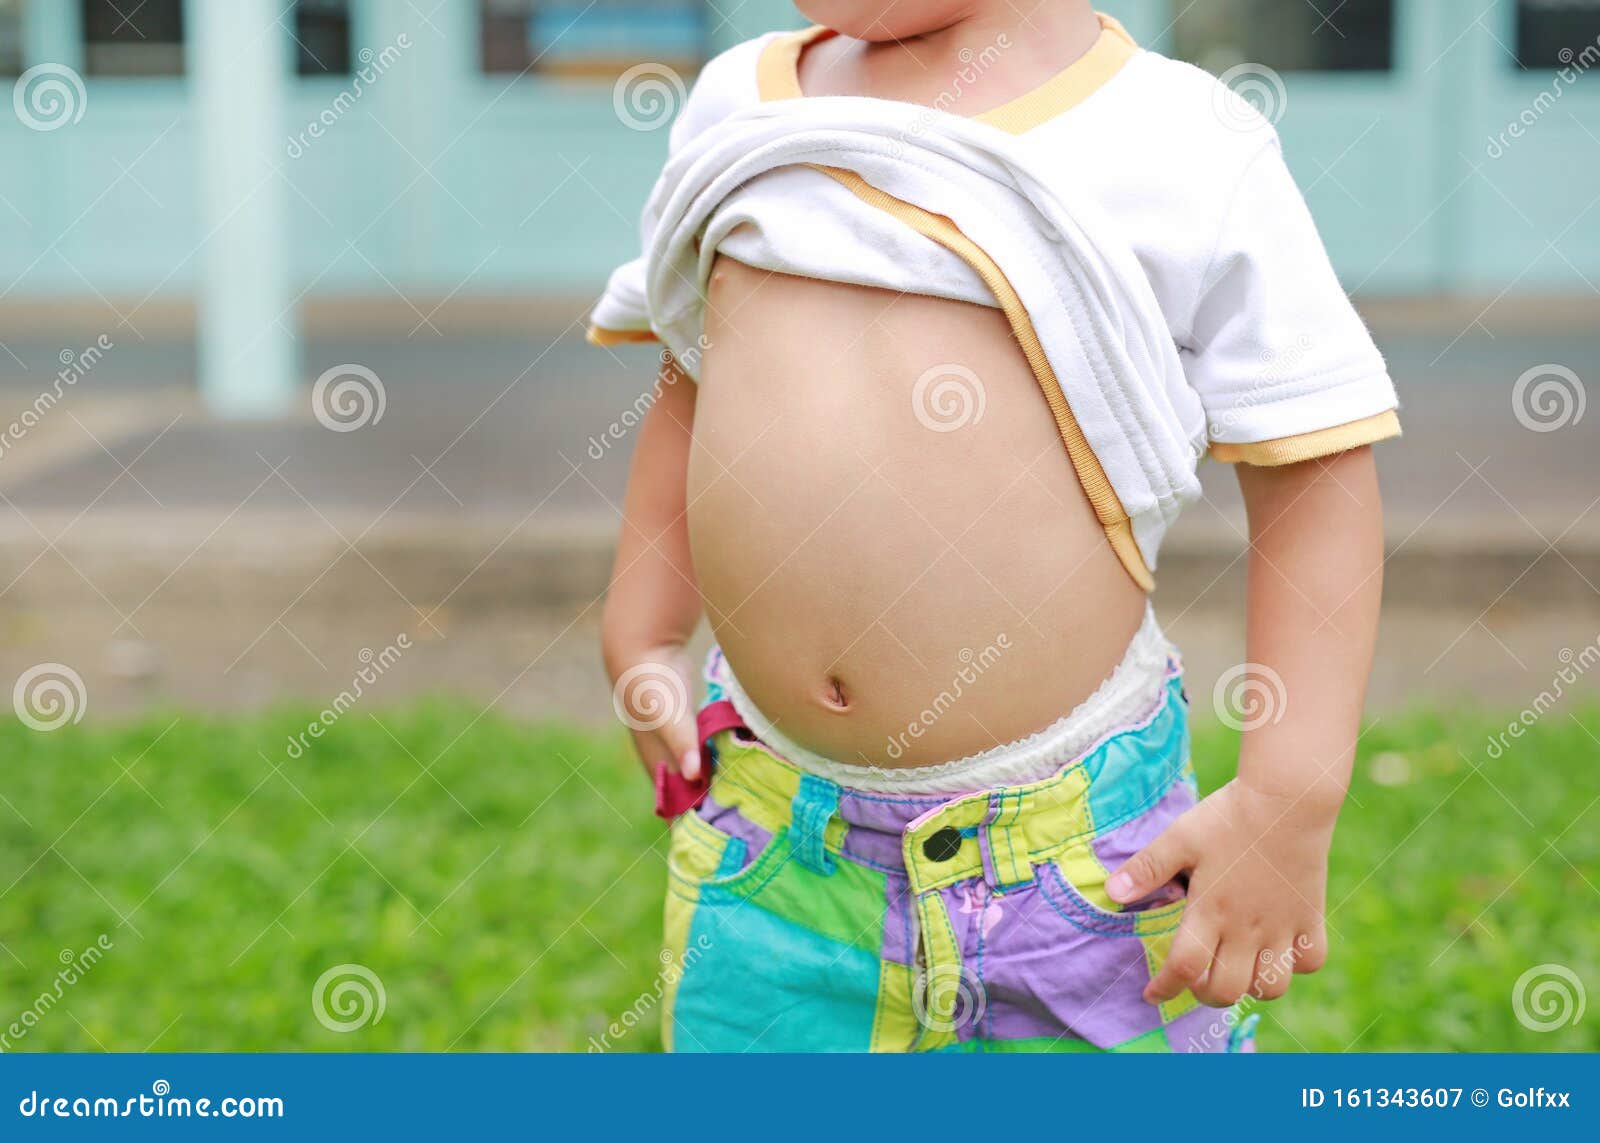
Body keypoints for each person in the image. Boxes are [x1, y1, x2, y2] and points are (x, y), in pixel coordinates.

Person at [593, 0, 1398, 1052]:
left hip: (1079, 866)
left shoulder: (1182, 144)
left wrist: (1289, 796)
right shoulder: (740, 101)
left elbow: (1316, 470)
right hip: (774, 839)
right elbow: (693, 372)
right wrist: (644, 620)